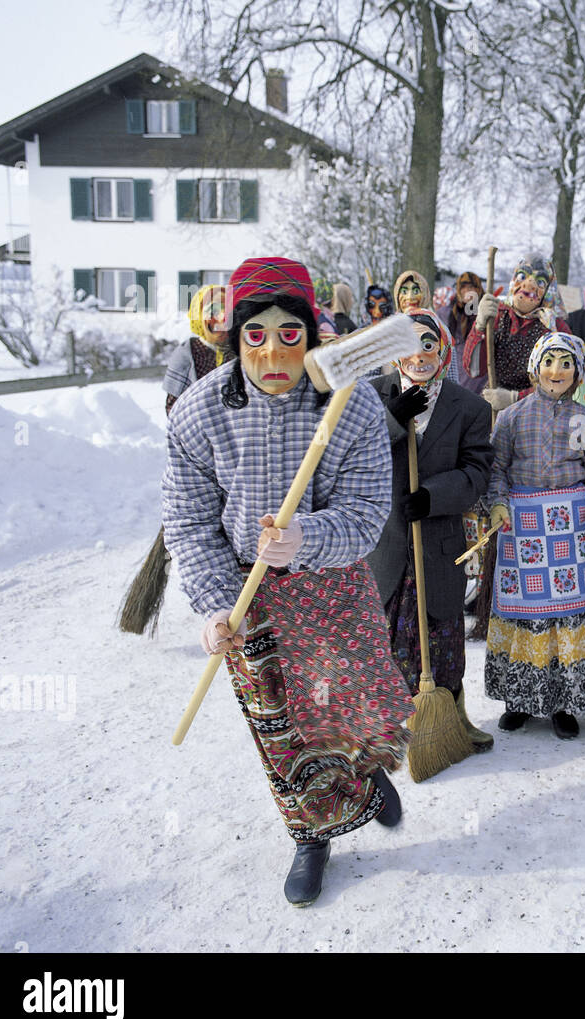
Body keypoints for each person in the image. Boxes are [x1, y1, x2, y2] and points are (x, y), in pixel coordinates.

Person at [161, 257, 413, 907]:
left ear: (312, 333)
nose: (273, 352)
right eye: (256, 335)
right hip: (250, 590)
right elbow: (188, 521)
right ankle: (309, 835)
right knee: (280, 724)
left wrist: (307, 537)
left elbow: (366, 512)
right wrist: (217, 606)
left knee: (342, 710)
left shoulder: (348, 406)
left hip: (329, 579)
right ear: (235, 336)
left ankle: (363, 772)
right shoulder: (197, 415)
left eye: (289, 335)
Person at [366, 306, 495, 752]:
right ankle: (385, 726)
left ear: (442, 348)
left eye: (428, 345)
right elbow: (348, 457)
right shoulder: (372, 396)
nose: (418, 356)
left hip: (436, 542)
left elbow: (477, 471)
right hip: (386, 543)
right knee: (384, 639)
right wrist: (391, 418)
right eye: (407, 345)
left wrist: (434, 496)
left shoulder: (470, 408)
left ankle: (451, 721)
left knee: (442, 638)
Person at [484, 332, 585, 739]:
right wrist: (499, 503)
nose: (556, 371)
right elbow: (496, 470)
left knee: (565, 617)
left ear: (578, 371)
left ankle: (563, 705)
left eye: (566, 363)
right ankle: (520, 700)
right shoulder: (510, 418)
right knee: (524, 616)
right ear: (535, 368)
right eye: (549, 361)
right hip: (522, 532)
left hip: (570, 532)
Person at [462, 254, 571, 413]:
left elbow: (563, 383)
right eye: (522, 276)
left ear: (548, 291)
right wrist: (480, 325)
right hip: (494, 409)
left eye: (540, 282)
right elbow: (474, 370)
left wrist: (516, 398)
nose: (529, 284)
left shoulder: (554, 328)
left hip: (537, 414)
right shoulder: (498, 315)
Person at [162, 285, 229, 414]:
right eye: (213, 311)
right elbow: (173, 409)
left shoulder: (239, 352)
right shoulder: (187, 355)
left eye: (227, 312)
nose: (221, 318)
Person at [448, 271, 486, 392]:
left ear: (478, 289)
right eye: (463, 287)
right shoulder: (449, 312)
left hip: (479, 371)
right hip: (456, 369)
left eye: (472, 287)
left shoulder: (486, 310)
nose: (468, 291)